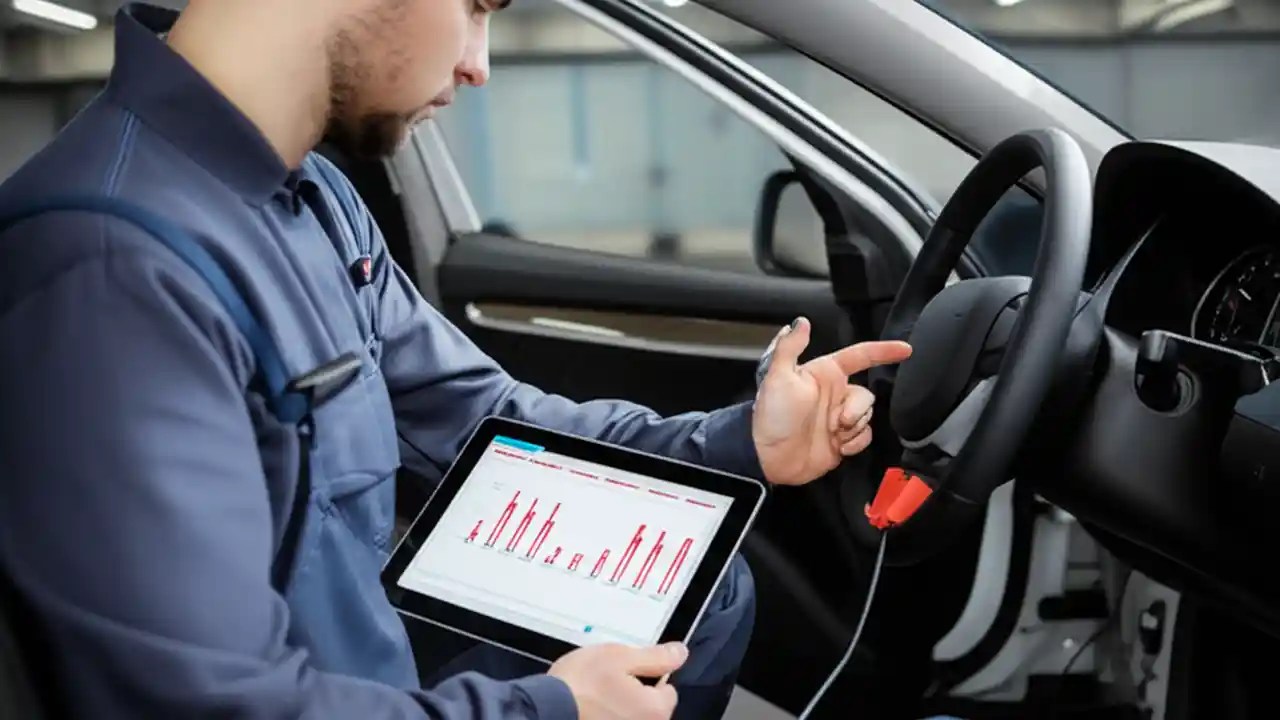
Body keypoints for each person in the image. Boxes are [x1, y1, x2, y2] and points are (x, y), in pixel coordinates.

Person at [0, 2, 912, 719]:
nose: (478, 63)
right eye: (476, 5)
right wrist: (548, 709)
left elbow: (489, 419)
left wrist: (741, 443)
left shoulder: (309, 196)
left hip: (362, 666)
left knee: (693, 592)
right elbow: (201, 703)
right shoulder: (109, 267)